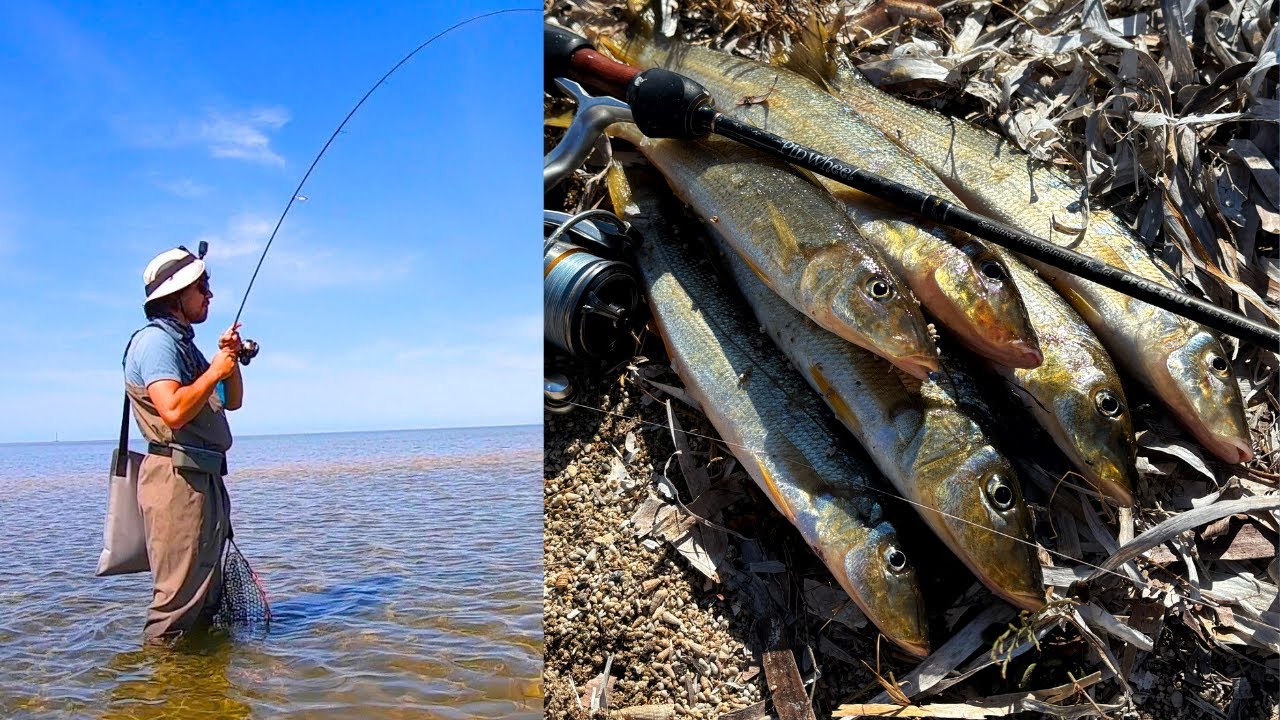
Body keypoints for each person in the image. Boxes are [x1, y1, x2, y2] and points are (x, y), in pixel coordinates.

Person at [122, 245, 244, 644]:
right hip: (176, 482)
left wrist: (228, 361)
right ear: (177, 295)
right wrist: (213, 372)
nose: (210, 294)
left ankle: (198, 680)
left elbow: (232, 401)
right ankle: (162, 679)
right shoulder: (155, 343)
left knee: (205, 599)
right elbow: (173, 410)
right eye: (202, 287)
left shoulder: (183, 345)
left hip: (201, 479)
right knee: (175, 604)